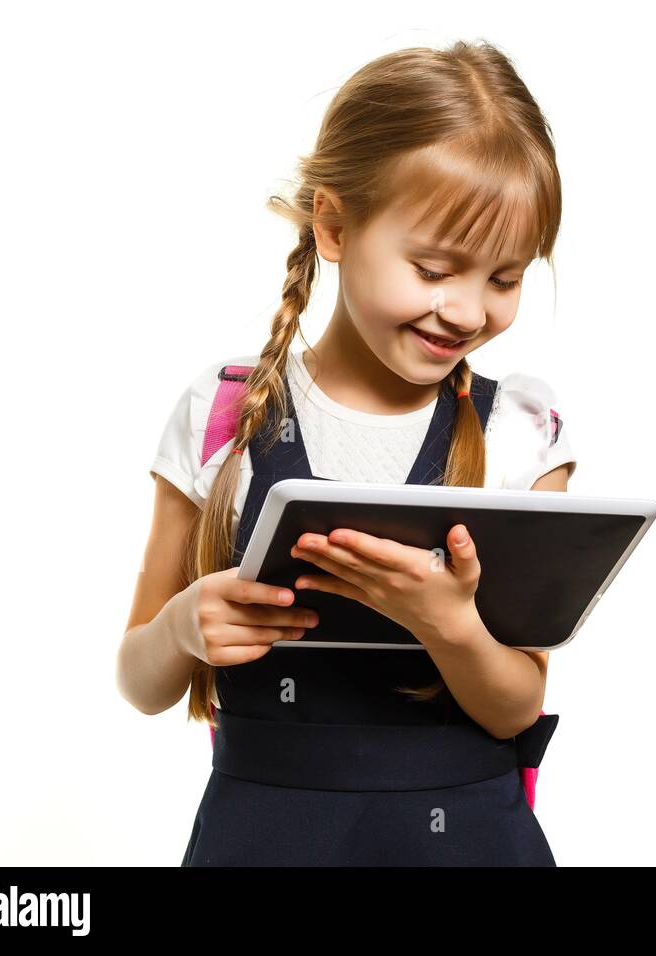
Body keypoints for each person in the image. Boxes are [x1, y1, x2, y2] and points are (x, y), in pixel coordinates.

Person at [115, 40, 577, 866]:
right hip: (261, 839)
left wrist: (451, 628)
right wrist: (185, 627)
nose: (468, 311)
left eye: (505, 279)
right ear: (333, 225)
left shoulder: (519, 432)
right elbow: (138, 678)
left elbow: (516, 708)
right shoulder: (222, 415)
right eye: (436, 269)